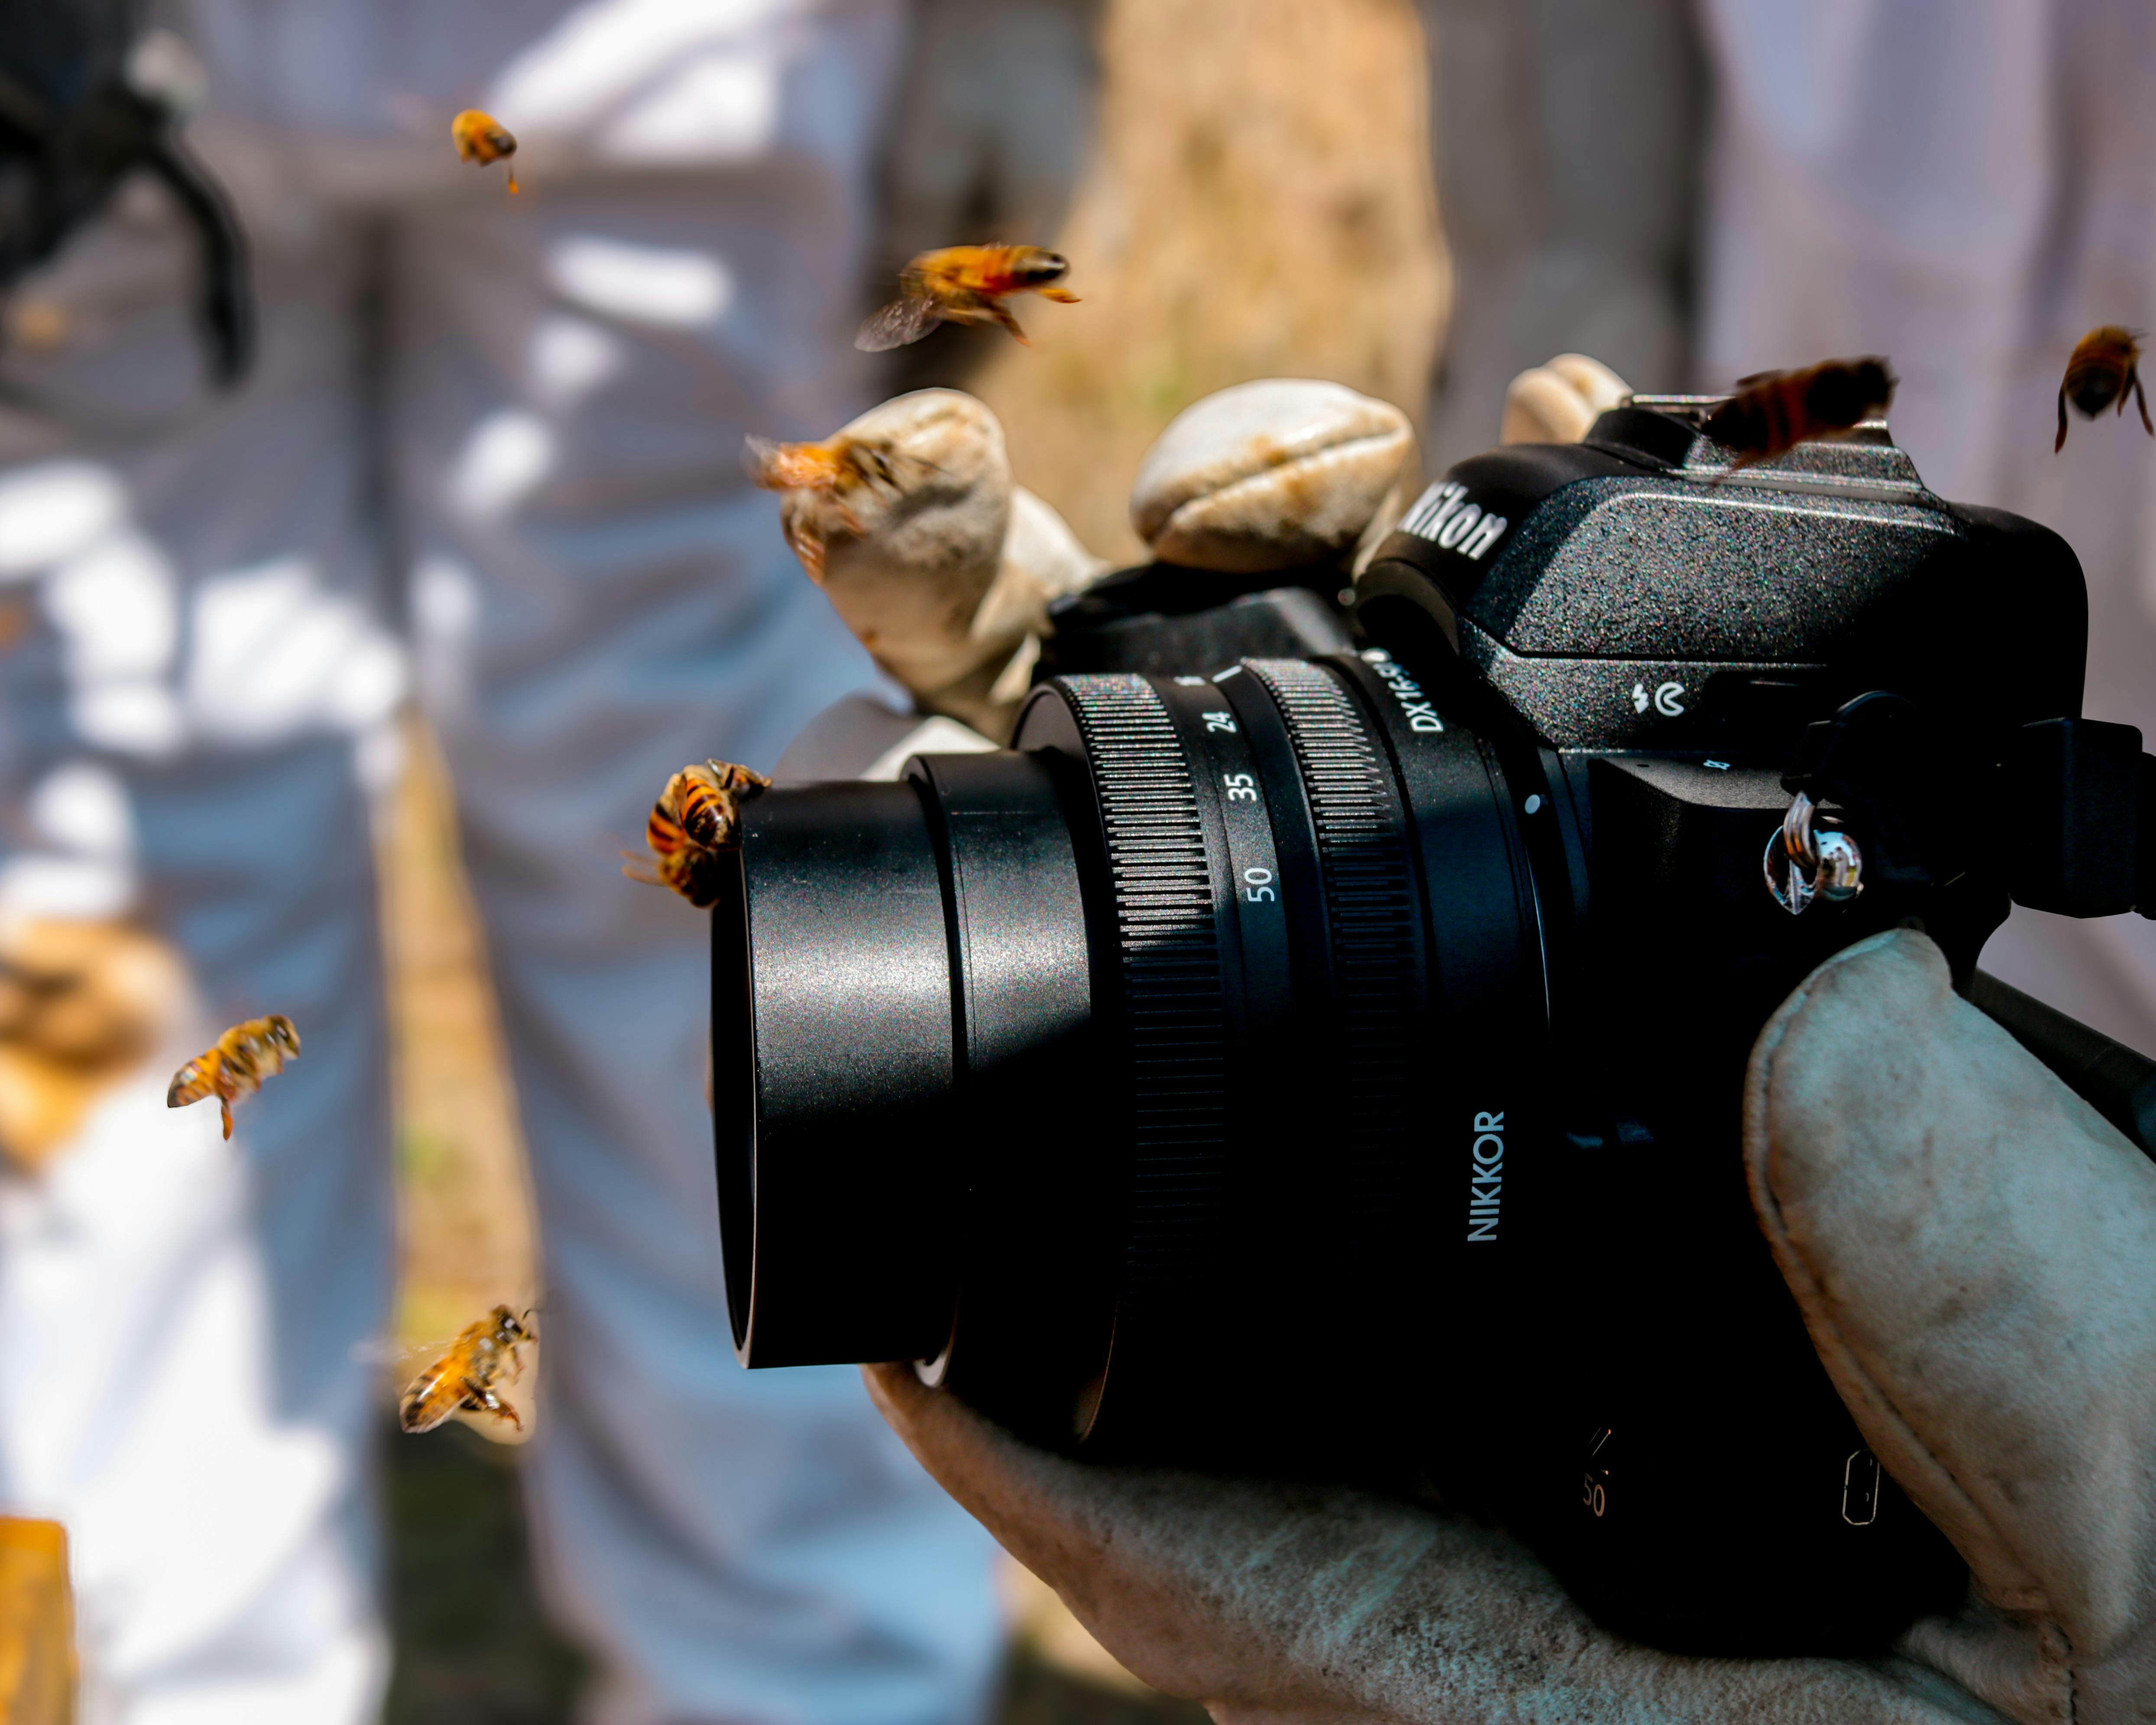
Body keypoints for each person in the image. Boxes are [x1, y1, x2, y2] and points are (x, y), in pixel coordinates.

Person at [0, 2, 1097, 1720]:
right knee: (98, 860)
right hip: (101, 96)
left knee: (733, 885)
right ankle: (159, 1671)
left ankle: (793, 1673)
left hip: (656, 71)